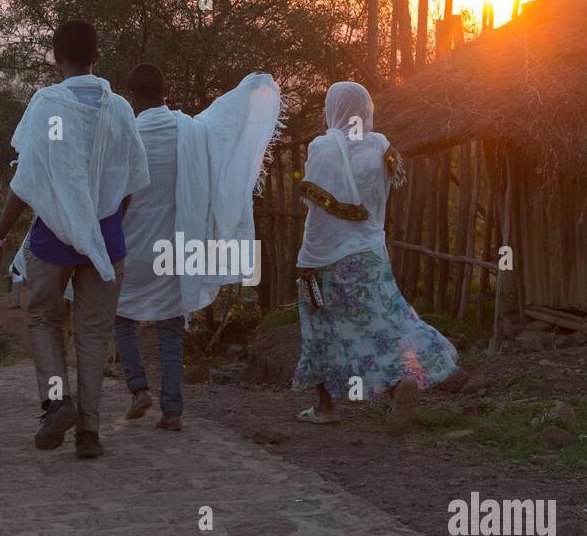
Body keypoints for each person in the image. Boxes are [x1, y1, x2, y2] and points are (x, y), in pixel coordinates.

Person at [0, 20, 148, 459]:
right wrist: (104, 229)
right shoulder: (121, 110)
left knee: (43, 319)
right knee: (92, 333)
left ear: (56, 56)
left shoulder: (46, 105)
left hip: (54, 235)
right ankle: (89, 433)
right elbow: (130, 182)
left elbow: (26, 182)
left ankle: (57, 402)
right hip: (107, 238)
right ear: (97, 55)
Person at [115, 63, 281, 431]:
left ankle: (138, 387)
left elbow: (117, 194)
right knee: (170, 324)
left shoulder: (130, 134)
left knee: (121, 316)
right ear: (163, 90)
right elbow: (223, 131)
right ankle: (172, 410)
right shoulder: (190, 130)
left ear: (134, 97)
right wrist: (253, 89)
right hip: (177, 248)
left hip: (135, 247)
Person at [291, 81, 459, 435]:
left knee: (319, 325)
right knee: (384, 325)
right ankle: (398, 386)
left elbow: (319, 216)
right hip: (371, 256)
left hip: (326, 259)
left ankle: (324, 406)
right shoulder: (380, 147)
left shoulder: (324, 148)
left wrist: (307, 261)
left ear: (334, 109)